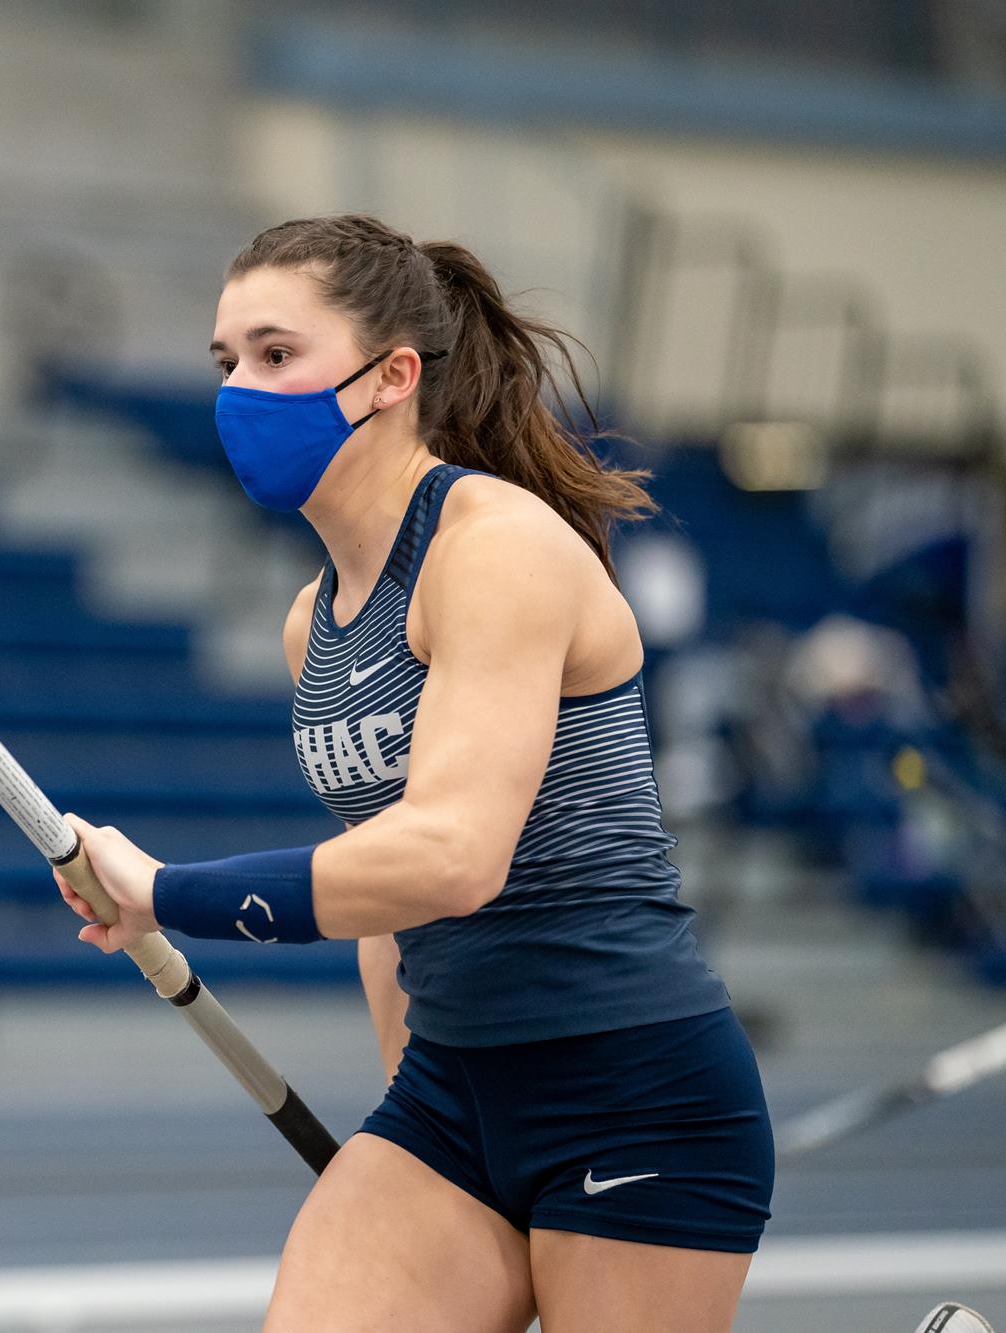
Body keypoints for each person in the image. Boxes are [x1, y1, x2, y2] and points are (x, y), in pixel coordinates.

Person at [52, 214, 772, 1331]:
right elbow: (382, 899)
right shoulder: (313, 625)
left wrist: (163, 893)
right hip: (447, 1098)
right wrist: (399, 1096)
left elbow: (449, 856)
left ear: (391, 377)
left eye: (276, 354)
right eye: (225, 361)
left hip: (627, 1093)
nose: (239, 388)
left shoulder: (495, 546)